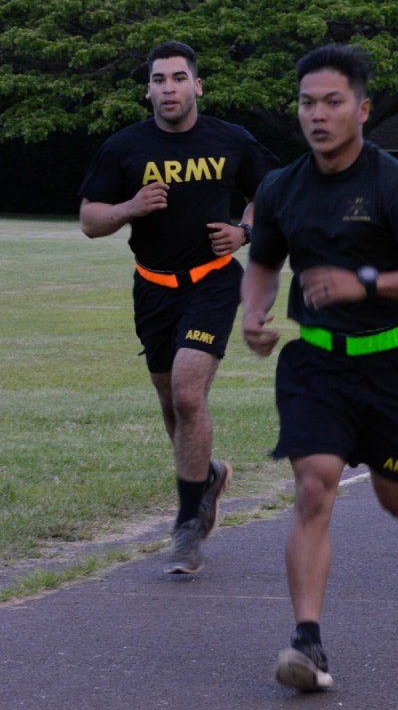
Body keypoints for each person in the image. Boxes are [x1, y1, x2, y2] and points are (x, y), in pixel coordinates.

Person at [240, 45, 398, 692]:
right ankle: (307, 643)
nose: (318, 114)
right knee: (314, 489)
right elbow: (263, 258)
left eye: (333, 102)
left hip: (396, 362)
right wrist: (254, 314)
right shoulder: (282, 186)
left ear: (362, 110)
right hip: (315, 364)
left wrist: (364, 281)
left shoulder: (395, 184)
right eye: (308, 102)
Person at [79, 41, 279, 575]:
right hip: (152, 288)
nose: (169, 88)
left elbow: (275, 192)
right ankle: (207, 476)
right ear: (148, 89)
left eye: (178, 78)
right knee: (173, 406)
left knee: (190, 393)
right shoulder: (124, 148)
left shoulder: (229, 140)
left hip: (212, 283)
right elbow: (90, 218)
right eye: (159, 79)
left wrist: (245, 230)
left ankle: (188, 526)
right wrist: (130, 206)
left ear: (197, 85)